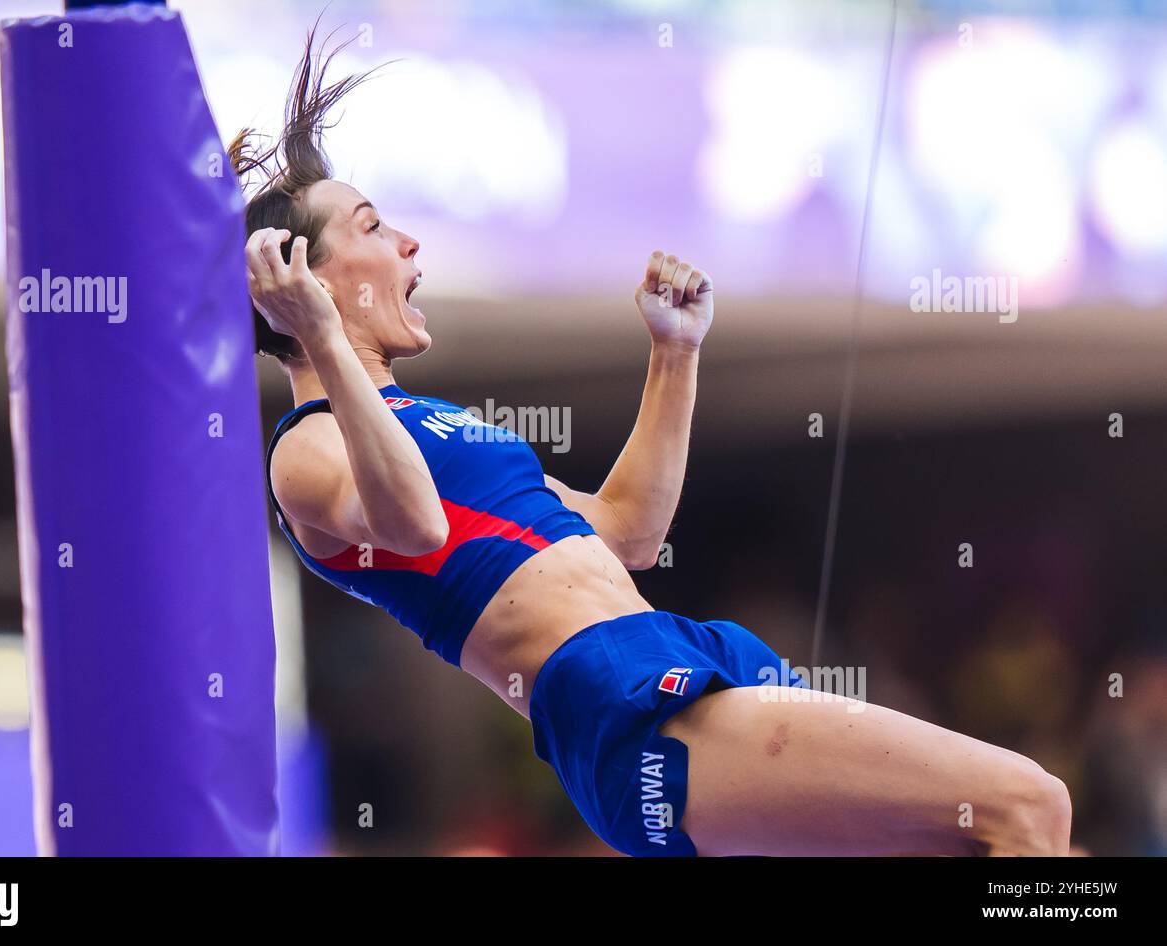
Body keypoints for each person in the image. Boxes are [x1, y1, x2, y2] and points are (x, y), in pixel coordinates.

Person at [234, 28, 1072, 857]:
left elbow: (626, 533)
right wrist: (321, 337)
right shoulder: (307, 448)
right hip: (623, 698)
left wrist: (674, 353)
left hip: (675, 649)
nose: (408, 242)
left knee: (996, 845)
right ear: (305, 280)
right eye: (374, 228)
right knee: (1026, 805)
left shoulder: (442, 428)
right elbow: (415, 525)